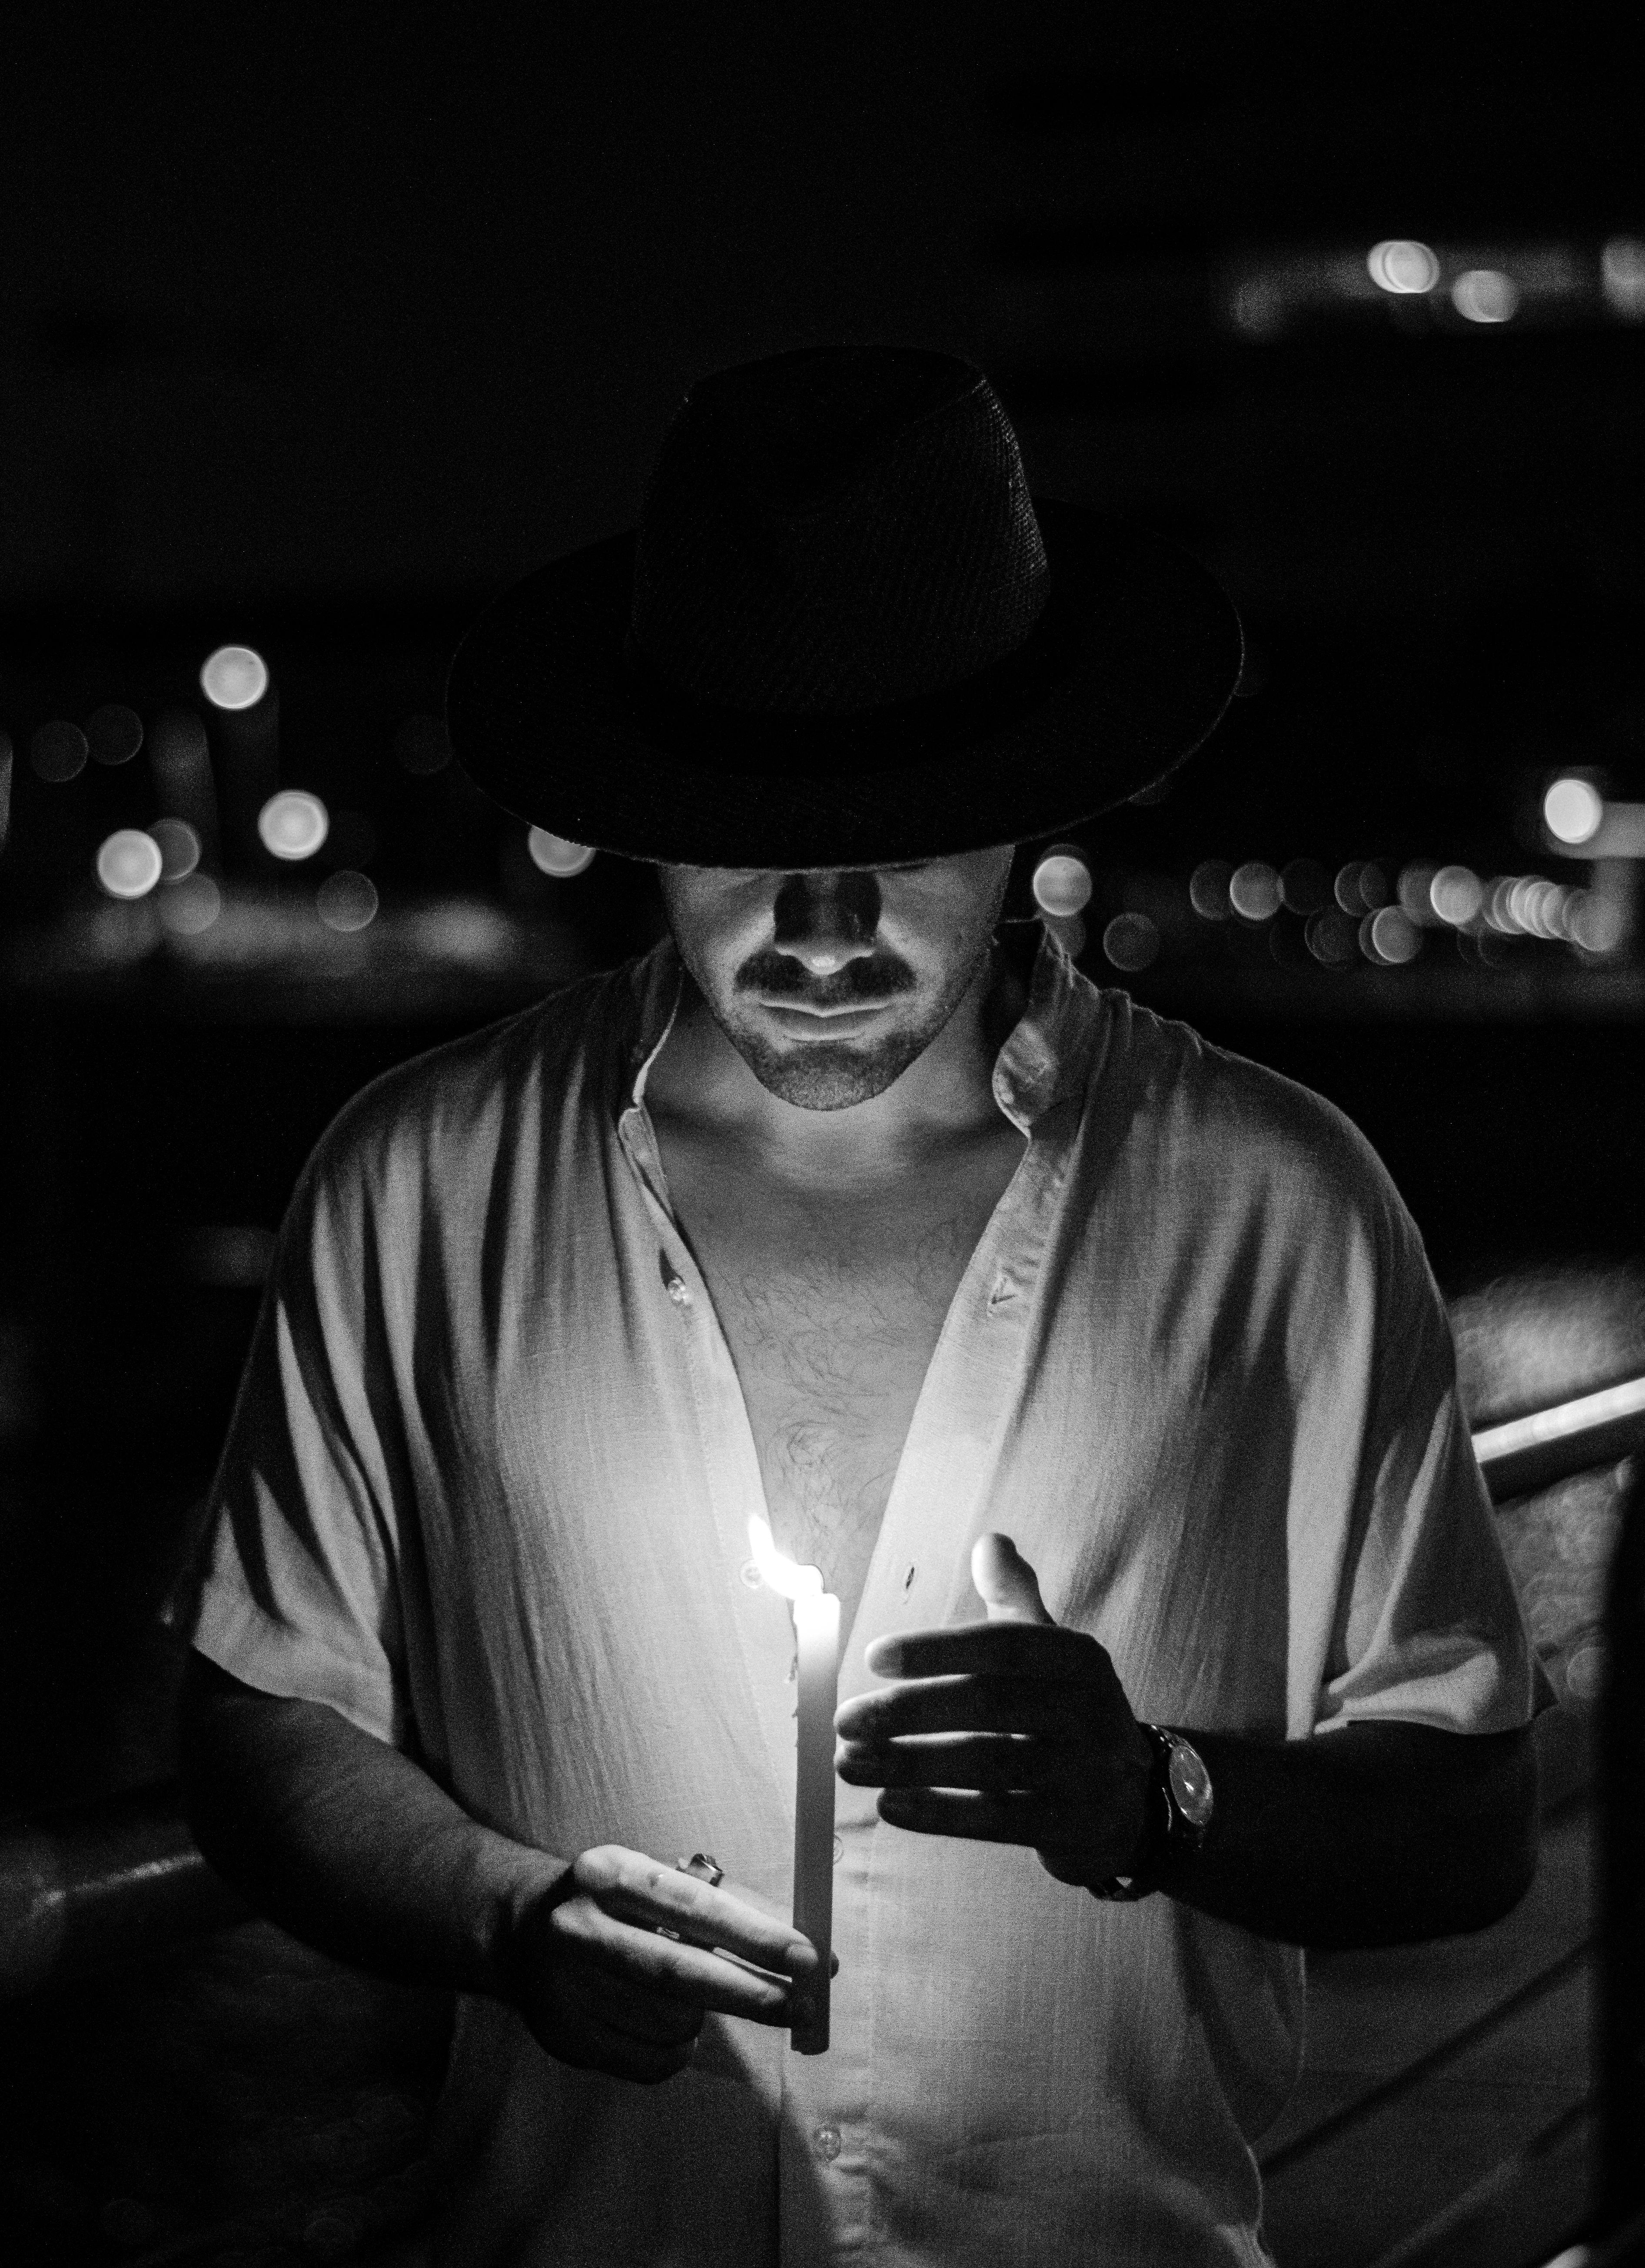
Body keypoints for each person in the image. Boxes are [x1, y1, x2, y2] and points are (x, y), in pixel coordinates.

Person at [170, 346, 1546, 2267]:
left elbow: (1468, 1813)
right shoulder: (421, 1178)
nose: (819, 923)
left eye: (898, 835)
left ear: (1020, 813)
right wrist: (511, 1914)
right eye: (746, 835)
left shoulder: (1273, 1206)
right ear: (646, 813)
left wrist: (1154, 1790)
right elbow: (263, 1703)